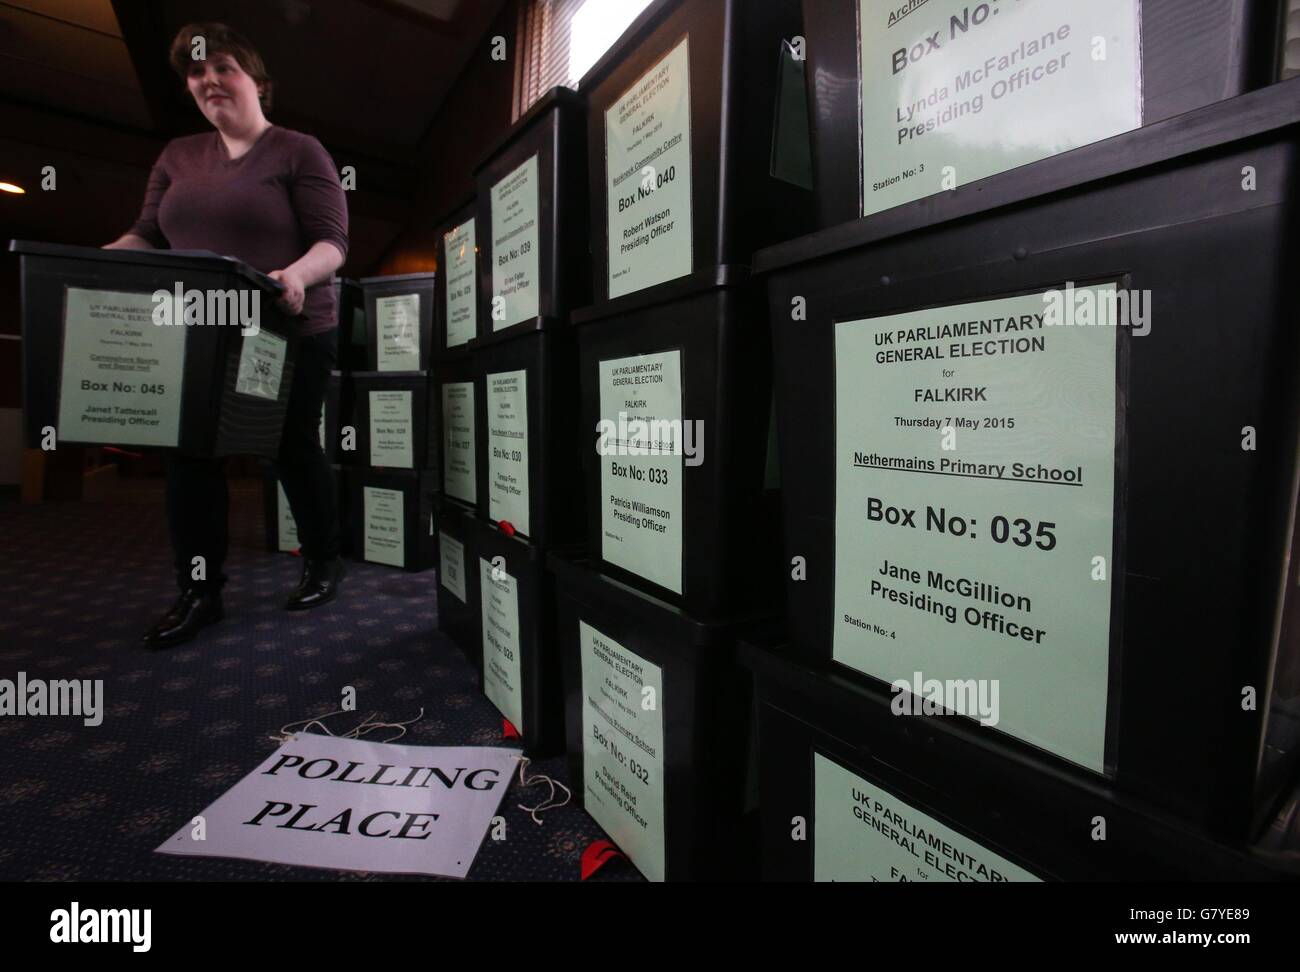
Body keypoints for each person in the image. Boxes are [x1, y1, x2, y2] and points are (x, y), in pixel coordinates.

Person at [106, 23, 349, 648]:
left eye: (223, 67)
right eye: (194, 71)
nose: (207, 78)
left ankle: (323, 559)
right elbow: (146, 234)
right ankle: (200, 591)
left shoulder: (299, 150)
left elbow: (333, 243)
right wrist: (99, 263)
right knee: (190, 455)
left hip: (288, 326)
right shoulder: (177, 156)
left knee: (289, 445)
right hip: (199, 331)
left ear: (257, 82)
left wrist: (294, 275)